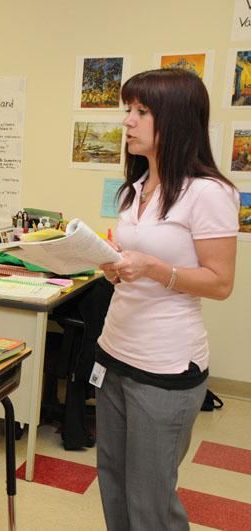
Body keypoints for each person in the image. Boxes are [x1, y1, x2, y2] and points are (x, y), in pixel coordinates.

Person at [97, 68, 239, 531]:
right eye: (127, 110)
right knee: (114, 484)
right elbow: (133, 266)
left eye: (141, 112)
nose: (128, 122)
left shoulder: (209, 193)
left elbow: (220, 283)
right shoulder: (136, 187)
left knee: (151, 501)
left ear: (174, 121)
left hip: (166, 367)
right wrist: (114, 266)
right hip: (116, 352)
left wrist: (156, 270)